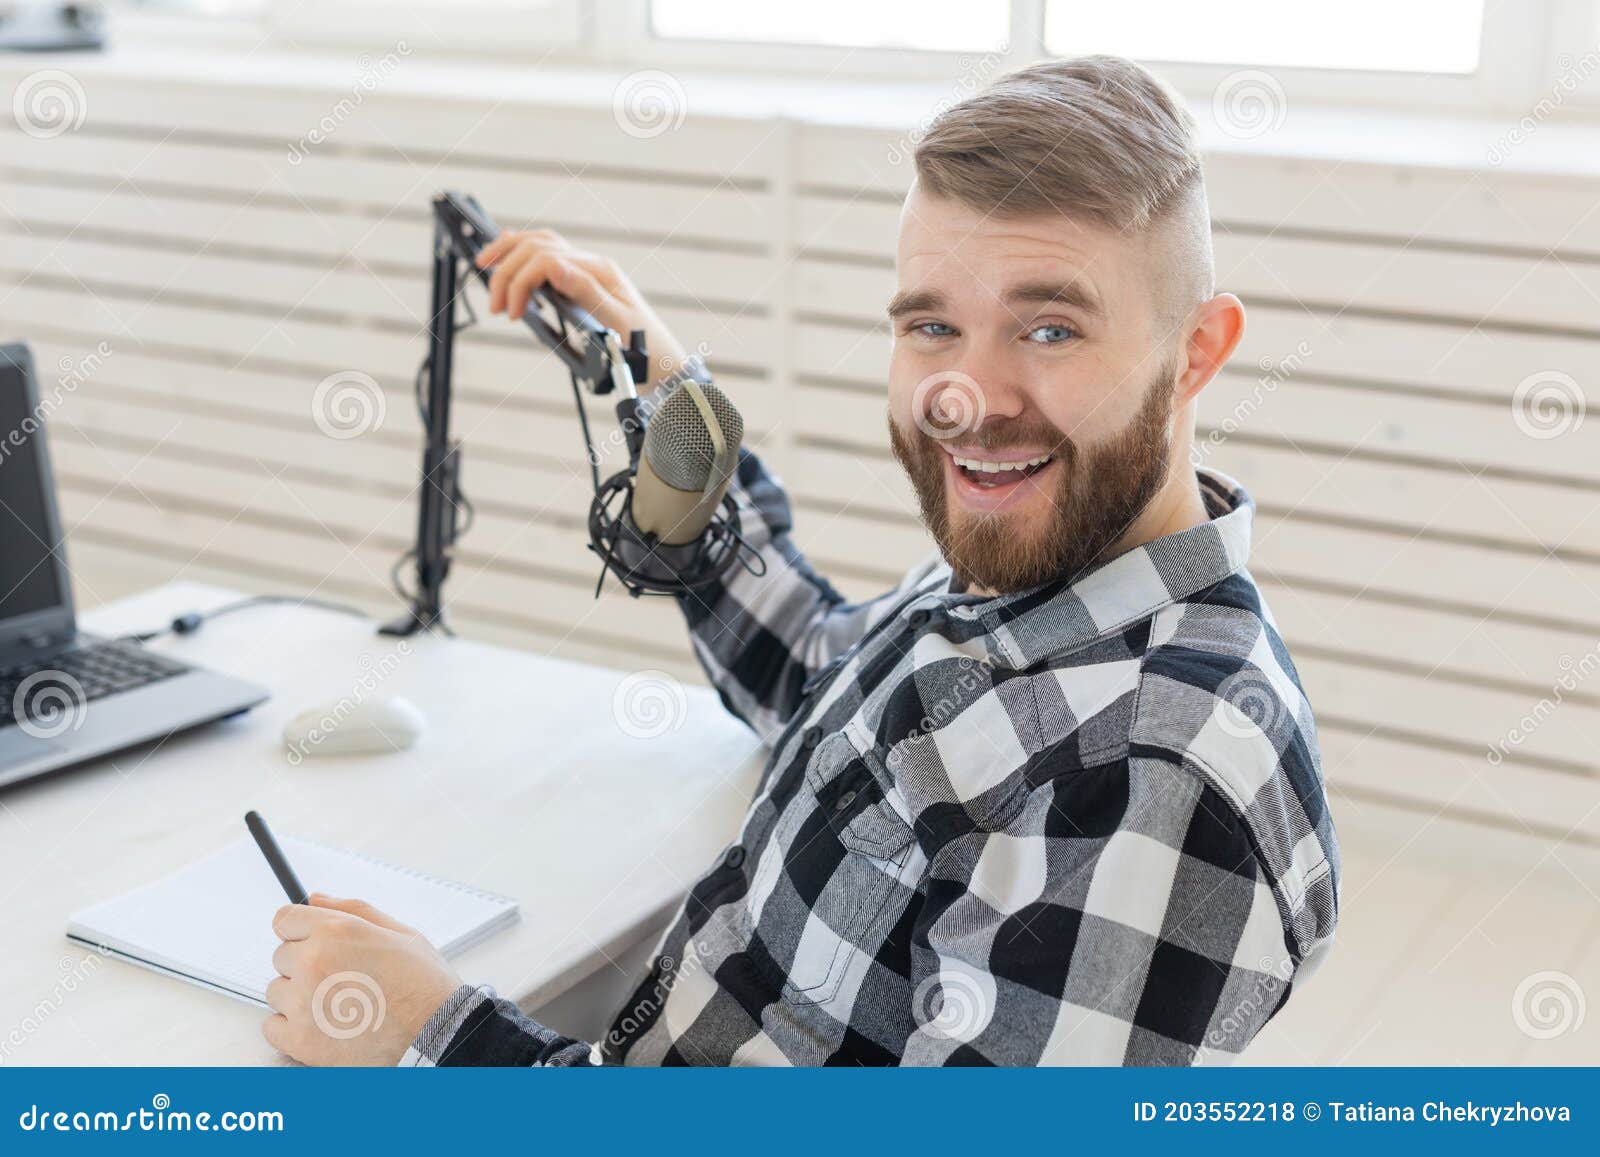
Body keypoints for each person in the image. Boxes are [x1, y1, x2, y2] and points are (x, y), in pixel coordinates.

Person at [263, 54, 1340, 1067]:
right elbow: (816, 676)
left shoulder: (1149, 771)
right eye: (930, 325)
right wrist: (674, 403)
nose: (966, 397)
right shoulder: (1036, 585)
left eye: (1049, 329)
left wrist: (430, 1038)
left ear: (1196, 350)